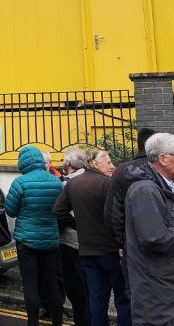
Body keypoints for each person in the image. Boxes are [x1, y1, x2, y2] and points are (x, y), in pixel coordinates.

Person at [53, 149, 129, 326]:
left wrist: (78, 226)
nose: (112, 166)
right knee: (122, 299)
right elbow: (119, 216)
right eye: (108, 162)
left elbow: (58, 211)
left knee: (96, 300)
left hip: (87, 252)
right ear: (95, 163)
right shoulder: (108, 184)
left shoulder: (74, 184)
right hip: (111, 251)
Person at [5, 146, 64, 326]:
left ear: (22, 162)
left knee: (30, 286)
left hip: (27, 241)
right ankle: (57, 322)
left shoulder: (20, 183)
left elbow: (11, 211)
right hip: (51, 239)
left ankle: (32, 322)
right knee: (52, 283)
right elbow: (61, 210)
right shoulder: (56, 182)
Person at [124, 132, 174, 326]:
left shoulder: (162, 186)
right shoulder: (145, 190)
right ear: (162, 159)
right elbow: (154, 238)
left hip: (164, 284)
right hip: (155, 289)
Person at [104, 127, 156, 298]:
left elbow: (112, 212)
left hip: (131, 245)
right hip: (163, 242)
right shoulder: (163, 169)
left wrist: (121, 242)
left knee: (136, 294)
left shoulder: (121, 171)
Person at [52, 147, 89, 326]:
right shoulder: (93, 178)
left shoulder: (68, 183)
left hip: (71, 242)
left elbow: (60, 212)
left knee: (76, 289)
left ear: (67, 164)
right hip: (90, 243)